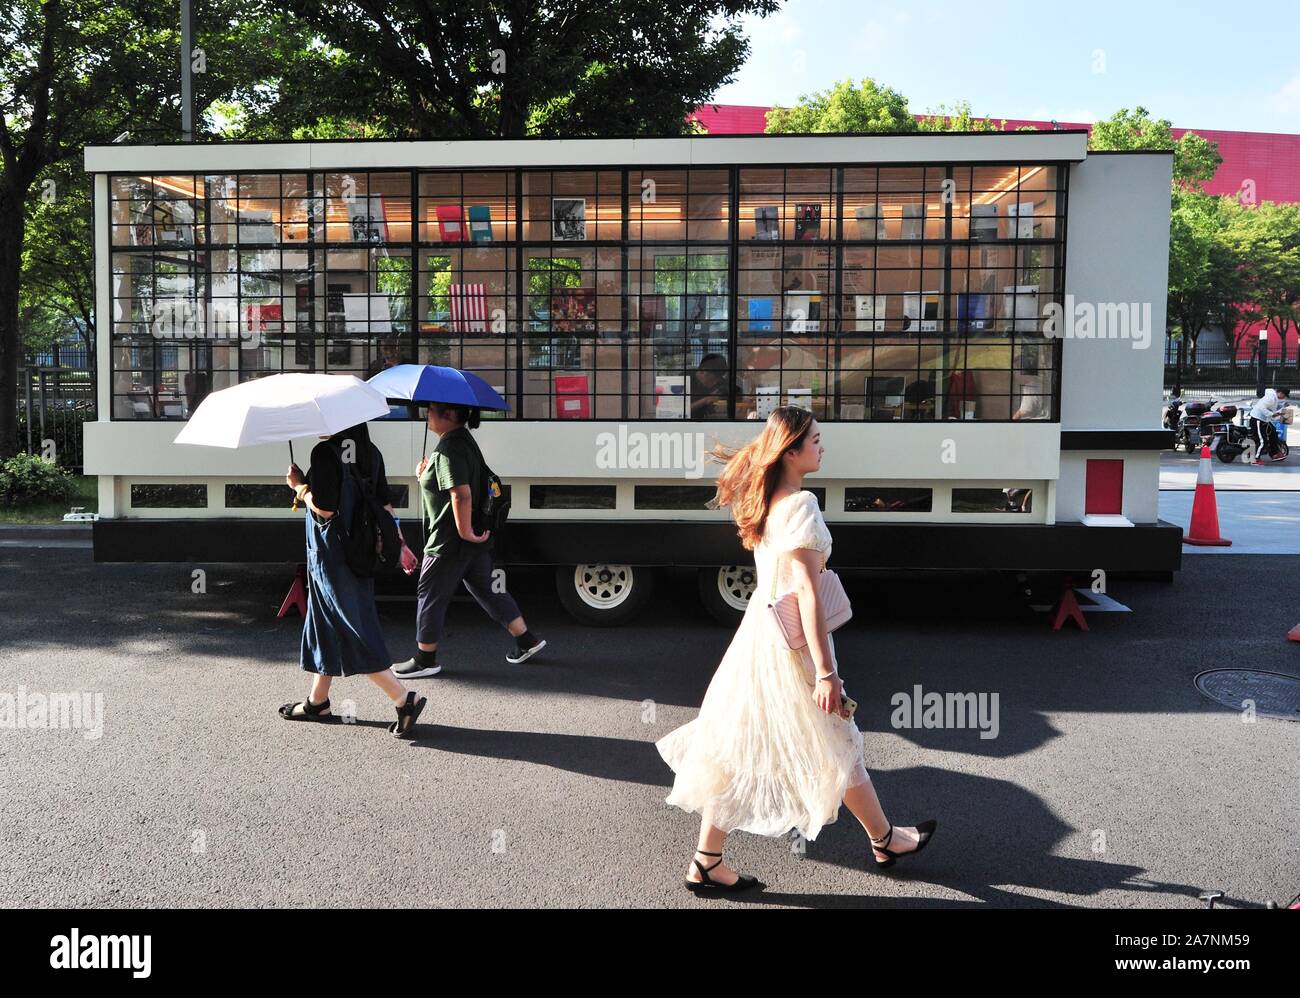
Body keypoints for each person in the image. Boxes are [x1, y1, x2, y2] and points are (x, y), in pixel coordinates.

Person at [656, 405, 937, 894]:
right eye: (815, 440)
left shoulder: (767, 501)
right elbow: (807, 593)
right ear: (791, 450)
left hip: (758, 641)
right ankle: (885, 839)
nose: (822, 446)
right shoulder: (801, 504)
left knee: (746, 747)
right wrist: (826, 673)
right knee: (838, 739)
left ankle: (707, 860)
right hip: (793, 648)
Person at [279, 423, 427, 737]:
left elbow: (325, 509)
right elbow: (386, 506)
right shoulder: (371, 453)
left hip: (332, 554)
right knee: (324, 623)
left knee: (353, 626)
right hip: (362, 552)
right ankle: (317, 702)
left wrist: (299, 488)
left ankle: (404, 699)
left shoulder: (324, 453)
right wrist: (399, 544)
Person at [392, 401, 546, 678]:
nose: (426, 414)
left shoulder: (450, 447)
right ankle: (527, 640)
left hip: (450, 540)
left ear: (448, 414)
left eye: (430, 410)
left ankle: (425, 659)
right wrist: (425, 474)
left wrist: (464, 532)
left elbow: (460, 494)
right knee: (487, 590)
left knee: (429, 595)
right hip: (472, 538)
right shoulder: (462, 440)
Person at [1248, 387, 1290, 464]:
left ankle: (1274, 454)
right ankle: (1255, 459)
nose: (1284, 397)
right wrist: (1271, 414)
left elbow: (1273, 407)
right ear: (1280, 393)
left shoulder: (1274, 398)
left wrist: (1283, 406)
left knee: (1273, 432)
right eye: (1284, 395)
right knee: (1262, 441)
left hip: (1265, 420)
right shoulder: (1271, 398)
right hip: (1258, 420)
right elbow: (1262, 407)